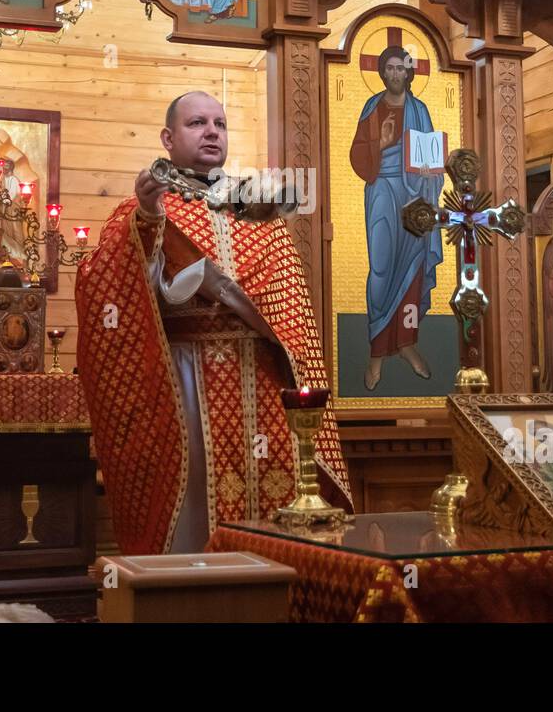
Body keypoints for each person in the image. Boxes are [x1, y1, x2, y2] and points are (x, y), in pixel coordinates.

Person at [76, 92, 352, 553]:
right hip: (184, 376)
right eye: (197, 123)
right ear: (168, 137)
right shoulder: (142, 208)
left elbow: (291, 309)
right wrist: (147, 221)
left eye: (220, 124)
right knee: (191, 488)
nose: (211, 132)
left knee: (271, 483)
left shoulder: (260, 212)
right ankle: (189, 597)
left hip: (262, 378)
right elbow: (111, 289)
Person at [349, 45, 443, 390]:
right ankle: (376, 351)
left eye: (399, 69)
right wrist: (383, 143)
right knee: (383, 267)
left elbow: (432, 158)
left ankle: (407, 343)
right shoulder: (372, 108)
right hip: (383, 192)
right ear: (382, 73)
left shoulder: (420, 109)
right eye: (388, 69)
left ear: (408, 73)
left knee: (414, 268)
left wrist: (433, 176)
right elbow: (359, 159)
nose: (394, 74)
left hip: (416, 196)